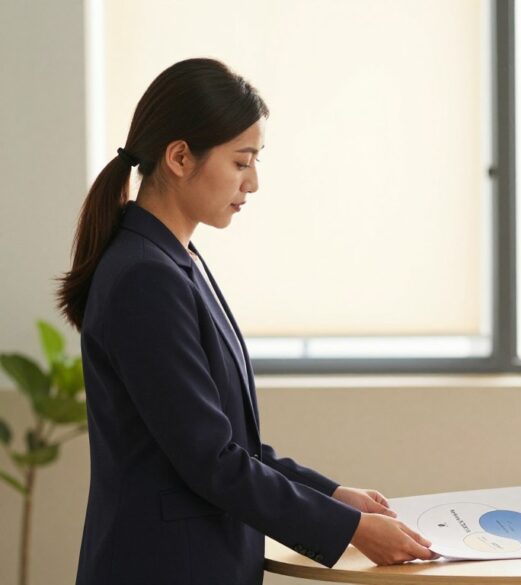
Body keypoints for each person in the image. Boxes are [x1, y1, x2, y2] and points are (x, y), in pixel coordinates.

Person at [58, 58, 434, 585]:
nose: (252, 183)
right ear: (180, 157)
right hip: (164, 567)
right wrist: (349, 528)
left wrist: (330, 494)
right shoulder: (146, 277)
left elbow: (227, 440)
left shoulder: (177, 261)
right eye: (241, 162)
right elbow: (210, 458)